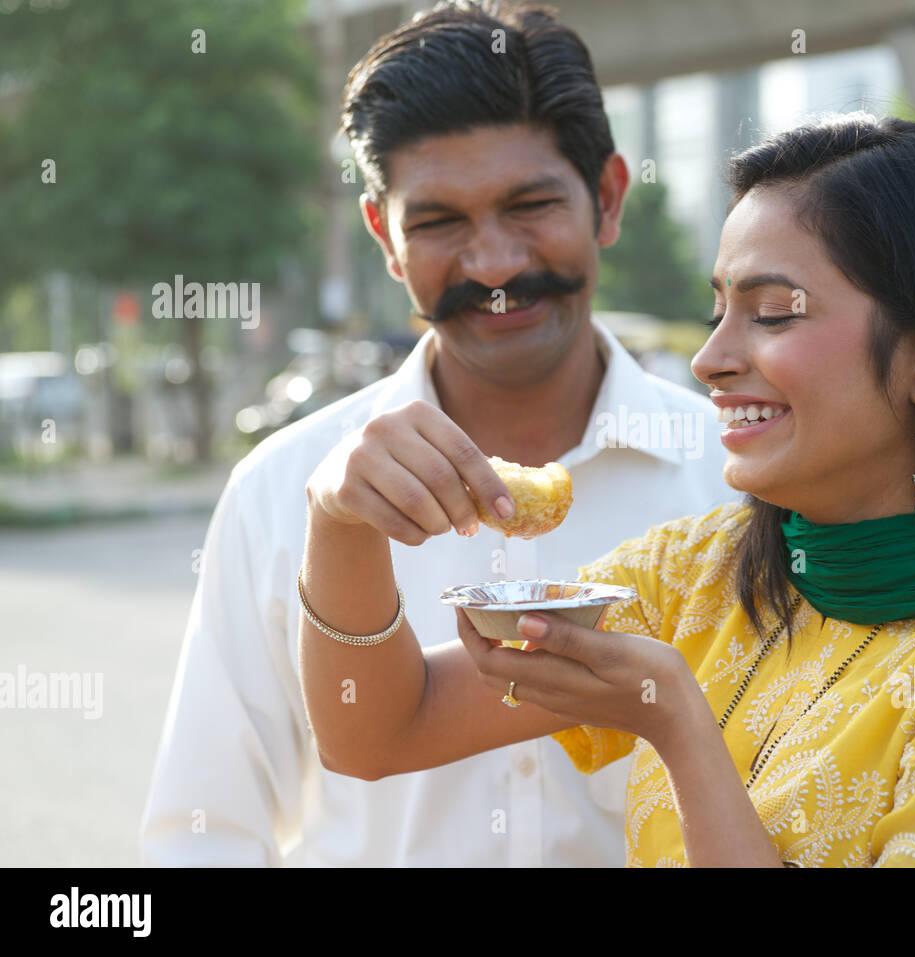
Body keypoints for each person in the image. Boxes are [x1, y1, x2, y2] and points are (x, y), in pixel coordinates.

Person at [300, 112, 915, 868]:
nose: (710, 359)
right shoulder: (703, 576)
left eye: (773, 311)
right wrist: (338, 517)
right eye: (719, 306)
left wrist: (680, 728)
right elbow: (380, 729)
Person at [139, 1, 736, 867]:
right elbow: (205, 831)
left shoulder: (736, 481)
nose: (492, 265)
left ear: (607, 199)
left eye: (530, 205)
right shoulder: (285, 487)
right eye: (440, 222)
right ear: (384, 234)